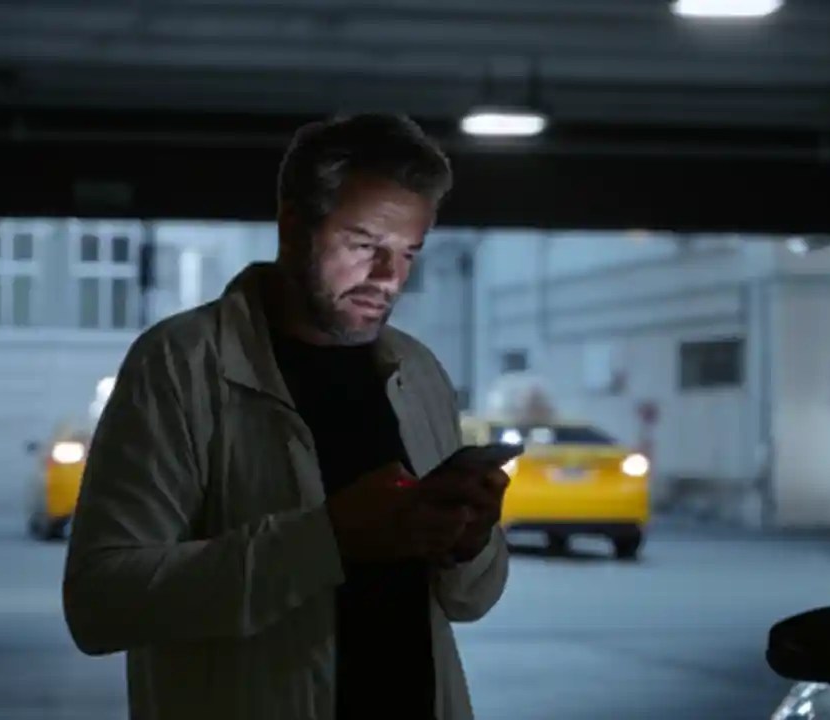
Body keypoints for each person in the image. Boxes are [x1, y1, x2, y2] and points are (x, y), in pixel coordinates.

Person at [62, 114, 510, 720]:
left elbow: (464, 603)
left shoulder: (417, 372)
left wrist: (471, 542)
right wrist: (328, 538)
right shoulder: (181, 363)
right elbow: (101, 601)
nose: (389, 279)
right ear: (293, 224)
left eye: (408, 253)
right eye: (363, 245)